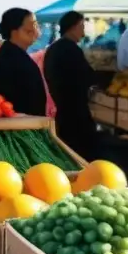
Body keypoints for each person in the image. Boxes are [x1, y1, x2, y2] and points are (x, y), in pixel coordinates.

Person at [44, 10, 98, 160]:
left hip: (62, 109)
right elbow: (87, 76)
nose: (83, 31)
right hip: (76, 111)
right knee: (82, 154)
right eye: (81, 26)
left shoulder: (53, 49)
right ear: (72, 27)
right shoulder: (71, 50)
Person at [0, 8, 47, 116]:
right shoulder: (11, 59)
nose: (37, 31)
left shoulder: (12, 54)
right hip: (22, 124)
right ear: (15, 31)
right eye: (33, 26)